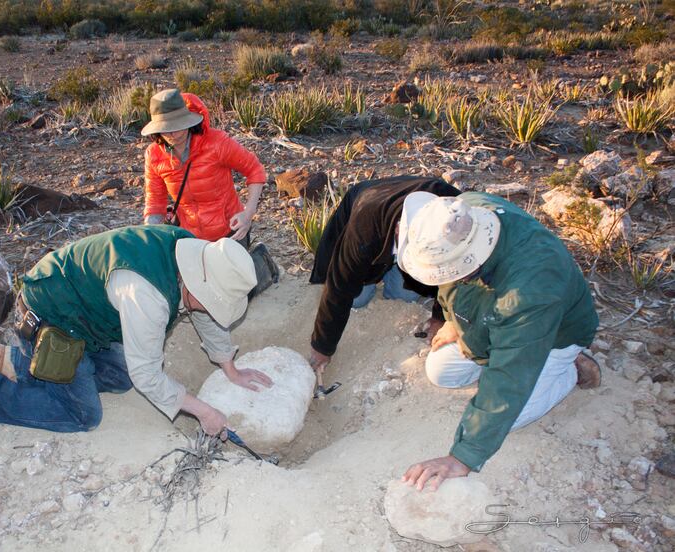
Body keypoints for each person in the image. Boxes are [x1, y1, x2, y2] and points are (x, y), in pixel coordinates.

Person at [0, 225, 273, 438]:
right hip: (51, 313)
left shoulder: (192, 254)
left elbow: (204, 314)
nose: (211, 309)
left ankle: (19, 364)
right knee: (83, 415)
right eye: (213, 301)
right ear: (199, 286)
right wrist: (204, 411)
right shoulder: (148, 296)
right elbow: (148, 376)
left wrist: (229, 366)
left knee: (122, 376)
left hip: (85, 313)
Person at [397, 193, 601, 491]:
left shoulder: (531, 289)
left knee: (511, 416)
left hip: (554, 334)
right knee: (441, 371)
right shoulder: (461, 214)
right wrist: (454, 321)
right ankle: (499, 358)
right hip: (490, 319)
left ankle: (568, 369)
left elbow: (509, 376)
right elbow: (449, 280)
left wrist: (462, 457)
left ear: (471, 260)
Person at [307, 176, 461, 377]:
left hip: (403, 234)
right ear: (399, 230)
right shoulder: (365, 222)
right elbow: (339, 285)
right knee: (357, 298)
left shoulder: (454, 214)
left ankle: (394, 268)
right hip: (369, 214)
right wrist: (322, 348)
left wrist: (440, 316)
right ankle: (383, 266)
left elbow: (455, 269)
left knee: (404, 295)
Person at [140, 88, 277, 292]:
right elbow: (155, 202)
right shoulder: (154, 155)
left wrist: (248, 214)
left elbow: (255, 170)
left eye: (177, 126)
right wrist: (151, 235)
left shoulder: (216, 143)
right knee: (196, 294)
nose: (172, 134)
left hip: (229, 232)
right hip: (190, 237)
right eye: (165, 128)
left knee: (234, 294)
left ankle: (261, 262)